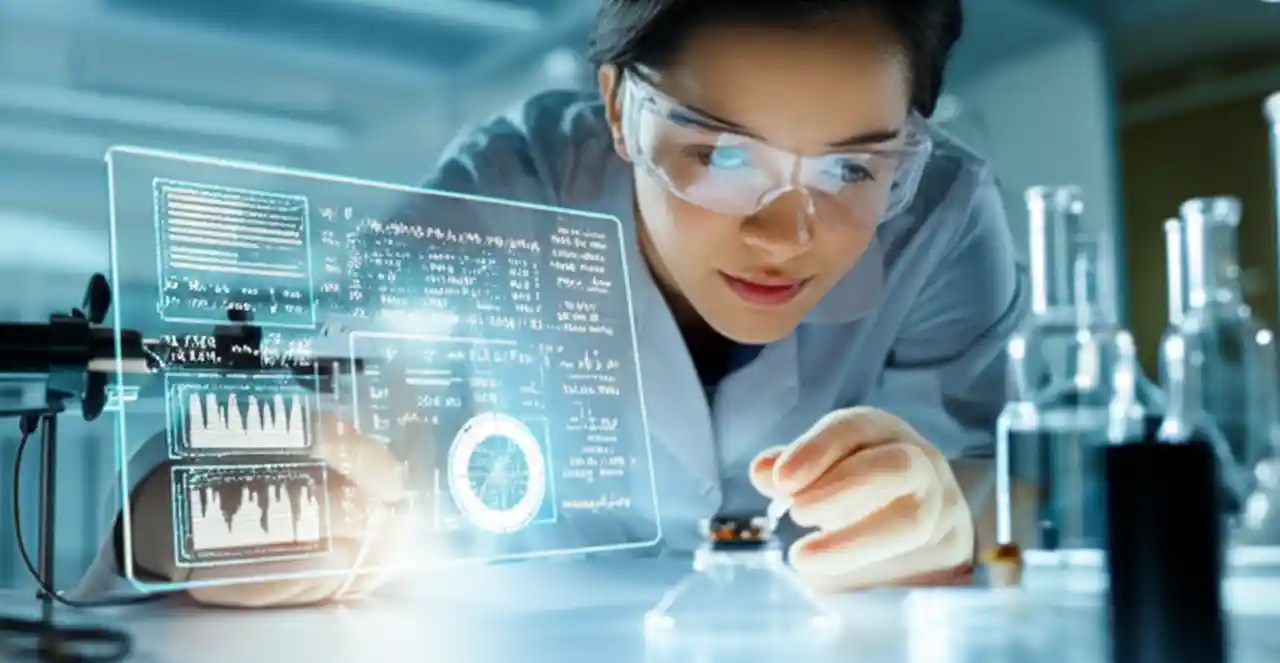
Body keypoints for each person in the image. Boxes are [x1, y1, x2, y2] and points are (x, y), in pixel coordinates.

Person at [81, 0, 1026, 607]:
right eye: (723, 155)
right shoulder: (508, 191)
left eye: (852, 167)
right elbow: (281, 424)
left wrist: (952, 518)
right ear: (619, 108)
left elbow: (1005, 482)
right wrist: (193, 523)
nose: (785, 234)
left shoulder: (941, 216)